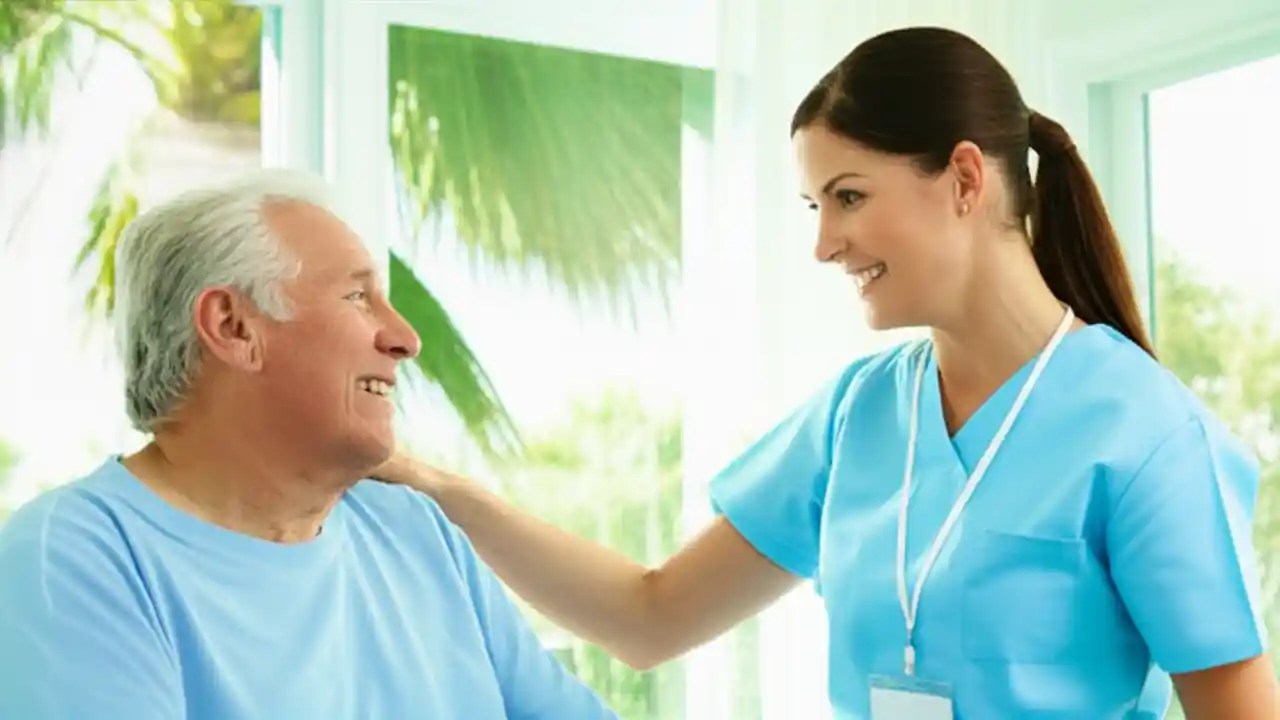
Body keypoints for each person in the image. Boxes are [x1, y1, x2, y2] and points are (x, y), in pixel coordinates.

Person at [375, 26, 1280, 719]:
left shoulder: (1145, 433)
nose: (823, 243)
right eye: (816, 205)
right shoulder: (859, 415)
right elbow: (649, 618)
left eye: (849, 196)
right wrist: (433, 485)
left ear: (965, 179)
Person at [0, 171, 618, 720]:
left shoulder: (417, 535)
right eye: (357, 297)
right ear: (233, 327)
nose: (405, 339)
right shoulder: (74, 559)